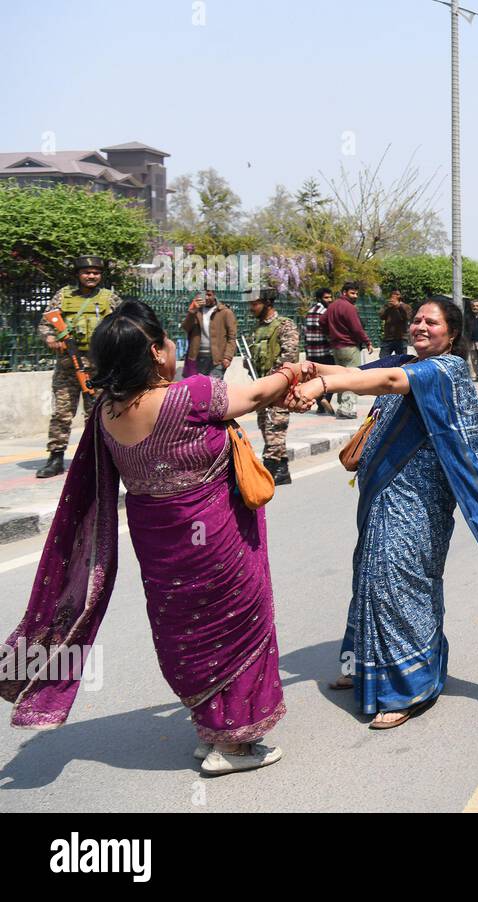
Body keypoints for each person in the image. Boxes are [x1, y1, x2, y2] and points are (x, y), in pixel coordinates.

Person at [1, 301, 310, 773]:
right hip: (217, 541)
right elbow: (255, 396)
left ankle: (212, 728)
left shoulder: (105, 413)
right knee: (236, 627)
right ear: (154, 351)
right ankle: (234, 745)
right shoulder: (194, 395)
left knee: (186, 631)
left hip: (160, 543)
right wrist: (292, 372)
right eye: (166, 339)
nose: (173, 346)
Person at [293, 297, 478, 728]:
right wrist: (311, 370)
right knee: (372, 576)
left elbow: (391, 381)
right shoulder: (404, 360)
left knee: (401, 583)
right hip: (382, 496)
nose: (419, 326)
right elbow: (356, 374)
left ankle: (408, 688)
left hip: (420, 502)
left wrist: (322, 388)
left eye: (430, 322)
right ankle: (361, 663)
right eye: (416, 319)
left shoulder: (444, 371)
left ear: (451, 334)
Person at [36, 256, 122, 479]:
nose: (91, 276)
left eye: (96, 272)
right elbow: (45, 324)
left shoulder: (109, 298)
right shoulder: (63, 296)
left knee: (97, 413)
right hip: (68, 365)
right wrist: (51, 339)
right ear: (78, 275)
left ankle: (97, 459)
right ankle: (56, 457)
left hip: (100, 366)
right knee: (62, 413)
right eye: (87, 272)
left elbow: (124, 324)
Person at [248, 287, 300, 485]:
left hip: (279, 387)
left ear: (267, 303)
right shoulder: (259, 328)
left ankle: (267, 474)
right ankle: (282, 470)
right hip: (263, 386)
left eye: (255, 304)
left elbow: (289, 356)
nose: (251, 308)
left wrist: (272, 380)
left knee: (274, 428)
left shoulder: (285, 325)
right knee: (266, 426)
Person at [323, 281, 373, 419]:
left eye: (356, 293)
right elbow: (357, 329)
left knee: (341, 377)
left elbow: (322, 321)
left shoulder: (332, 306)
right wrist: (367, 341)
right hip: (350, 346)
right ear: (344, 293)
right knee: (352, 377)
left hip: (336, 347)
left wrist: (330, 334)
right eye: (352, 293)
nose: (355, 296)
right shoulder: (349, 307)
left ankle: (342, 406)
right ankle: (348, 408)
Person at [181, 290, 238, 381]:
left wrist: (228, 356)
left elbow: (232, 337)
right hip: (197, 358)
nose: (206, 297)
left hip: (217, 360)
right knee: (198, 388)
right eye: (203, 295)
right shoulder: (196, 311)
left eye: (209, 295)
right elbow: (186, 328)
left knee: (213, 388)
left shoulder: (225, 312)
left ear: (214, 295)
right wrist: (192, 312)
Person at [304, 287, 336, 415]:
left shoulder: (310, 311)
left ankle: (320, 405)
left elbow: (305, 332)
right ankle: (325, 399)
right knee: (331, 377)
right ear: (319, 299)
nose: (329, 300)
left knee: (315, 379)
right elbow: (328, 332)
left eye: (330, 297)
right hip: (325, 350)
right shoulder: (326, 312)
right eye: (326, 298)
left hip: (311, 352)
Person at [379, 289, 412, 359]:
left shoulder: (406, 306)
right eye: (393, 294)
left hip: (401, 338)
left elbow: (408, 316)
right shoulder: (388, 307)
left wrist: (398, 306)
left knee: (401, 360)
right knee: (382, 359)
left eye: (397, 294)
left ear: (400, 296)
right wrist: (386, 306)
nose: (394, 296)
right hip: (388, 338)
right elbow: (381, 316)